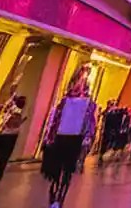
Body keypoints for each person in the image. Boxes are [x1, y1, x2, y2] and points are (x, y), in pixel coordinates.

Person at [41, 77, 97, 208]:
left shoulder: (85, 104)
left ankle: (59, 195)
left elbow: (89, 123)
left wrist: (87, 137)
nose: (77, 90)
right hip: (64, 138)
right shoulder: (65, 104)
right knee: (60, 170)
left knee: (65, 170)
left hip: (72, 139)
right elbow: (53, 120)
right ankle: (56, 193)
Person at [0, 96, 27, 182]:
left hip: (4, 134)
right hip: (9, 136)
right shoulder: (16, 112)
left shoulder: (12, 110)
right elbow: (12, 124)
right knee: (3, 156)